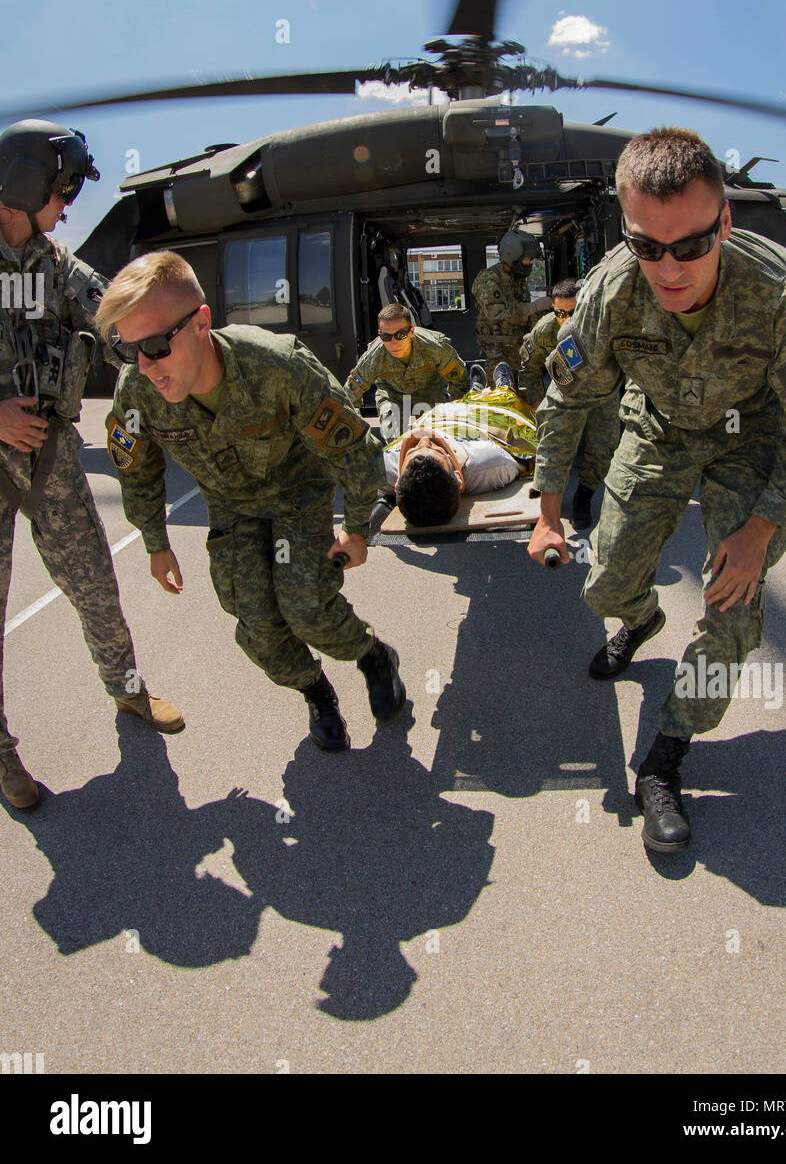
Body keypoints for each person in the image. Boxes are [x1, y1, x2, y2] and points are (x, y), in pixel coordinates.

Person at [528, 127, 786, 853]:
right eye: (647, 246)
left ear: (724, 223)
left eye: (690, 246)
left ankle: (665, 760)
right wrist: (547, 513)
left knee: (733, 611)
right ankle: (638, 622)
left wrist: (758, 529)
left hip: (752, 440)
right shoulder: (609, 291)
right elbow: (566, 401)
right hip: (659, 427)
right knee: (602, 587)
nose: (668, 269)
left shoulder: (781, 295)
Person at [95, 252, 406, 754]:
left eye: (154, 345)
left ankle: (373, 657)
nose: (145, 366)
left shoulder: (277, 365)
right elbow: (137, 471)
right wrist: (156, 542)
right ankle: (317, 694)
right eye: (128, 350)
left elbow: (353, 448)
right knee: (257, 624)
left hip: (297, 498)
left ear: (200, 323)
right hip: (233, 509)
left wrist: (356, 528)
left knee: (308, 611)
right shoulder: (137, 394)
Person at [0, 120, 184, 810]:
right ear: (26, 183)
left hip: (51, 462)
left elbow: (115, 326)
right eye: (63, 188)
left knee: (97, 590)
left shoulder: (57, 267)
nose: (68, 204)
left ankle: (128, 689)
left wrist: (174, 353)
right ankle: (2, 755)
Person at [519, 277, 622, 530]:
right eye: (560, 312)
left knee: (602, 451)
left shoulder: (607, 327)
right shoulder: (545, 330)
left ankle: (583, 497)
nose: (566, 319)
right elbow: (528, 365)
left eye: (574, 313)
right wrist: (535, 398)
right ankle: (545, 487)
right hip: (565, 394)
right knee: (552, 444)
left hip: (603, 396)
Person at [386, 367, 538, 528]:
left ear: (396, 482)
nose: (424, 439)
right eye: (437, 449)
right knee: (506, 401)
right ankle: (504, 387)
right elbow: (527, 454)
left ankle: (474, 390)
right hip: (482, 423)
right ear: (459, 477)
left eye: (414, 450)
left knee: (462, 403)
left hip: (445, 416)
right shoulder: (491, 464)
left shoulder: (385, 469)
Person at [344, 303, 468, 439]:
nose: (393, 343)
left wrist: (457, 414)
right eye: (385, 336)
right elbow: (351, 393)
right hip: (392, 393)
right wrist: (355, 430)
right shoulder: (374, 357)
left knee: (436, 437)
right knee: (393, 438)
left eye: (400, 335)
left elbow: (459, 381)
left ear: (411, 332)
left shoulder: (435, 347)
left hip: (429, 390)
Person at [470, 230, 552, 384]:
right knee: (502, 400)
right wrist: (533, 307)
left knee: (530, 397)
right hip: (499, 354)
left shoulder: (517, 278)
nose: (529, 263)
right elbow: (496, 313)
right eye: (527, 259)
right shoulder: (489, 279)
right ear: (512, 256)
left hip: (520, 350)